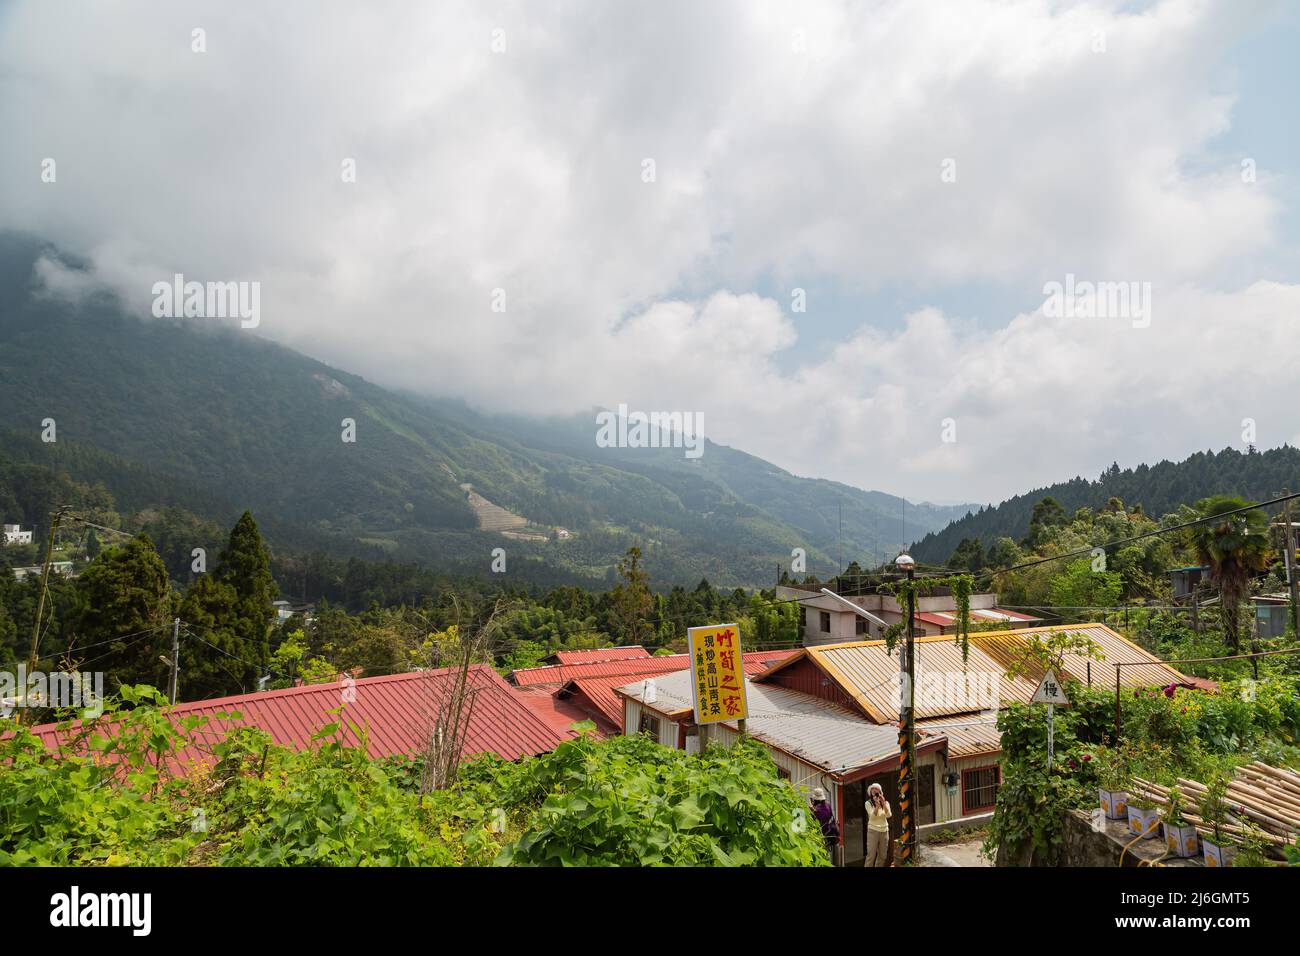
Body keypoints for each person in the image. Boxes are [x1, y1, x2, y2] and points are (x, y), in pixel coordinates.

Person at [865, 782, 892, 867]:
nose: (875, 791)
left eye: (877, 790)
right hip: (873, 831)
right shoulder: (868, 803)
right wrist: (877, 806)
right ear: (871, 793)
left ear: (880, 792)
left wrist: (883, 803)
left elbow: (889, 815)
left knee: (883, 856)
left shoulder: (886, 803)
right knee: (871, 856)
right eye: (873, 790)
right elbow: (872, 817)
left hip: (884, 831)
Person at [810, 787, 838, 862]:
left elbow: (814, 822)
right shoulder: (828, 806)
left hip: (820, 837)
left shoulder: (816, 810)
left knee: (820, 858)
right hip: (829, 834)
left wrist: (811, 811)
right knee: (826, 857)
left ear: (815, 799)